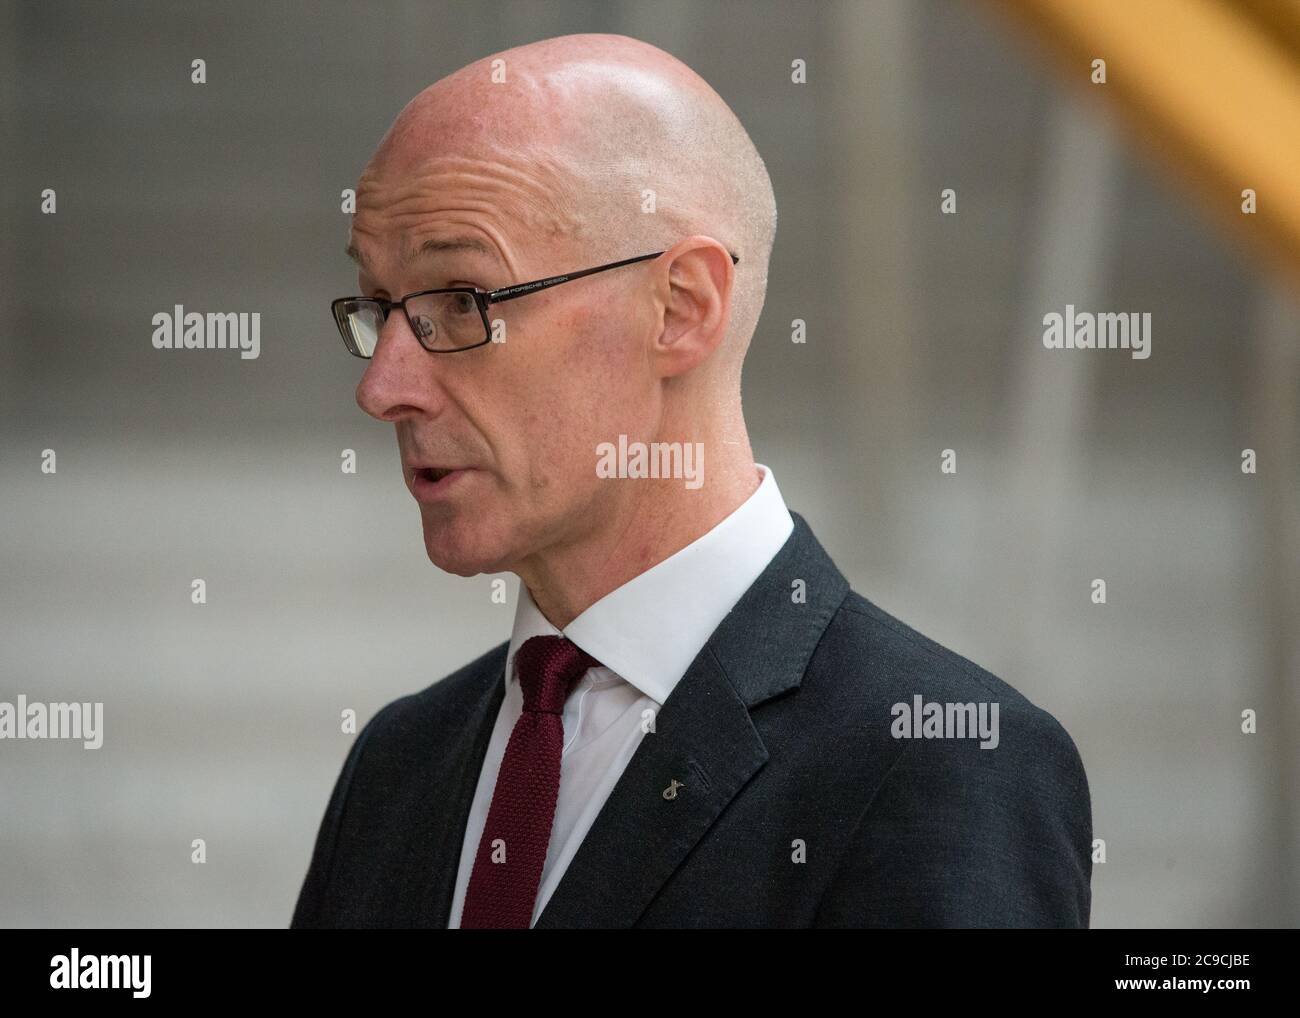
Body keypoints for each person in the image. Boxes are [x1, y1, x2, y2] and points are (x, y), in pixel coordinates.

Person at [292, 32, 1091, 929]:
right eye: (377, 309)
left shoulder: (945, 763)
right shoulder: (400, 766)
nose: (382, 387)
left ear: (680, 309)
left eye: (460, 301)